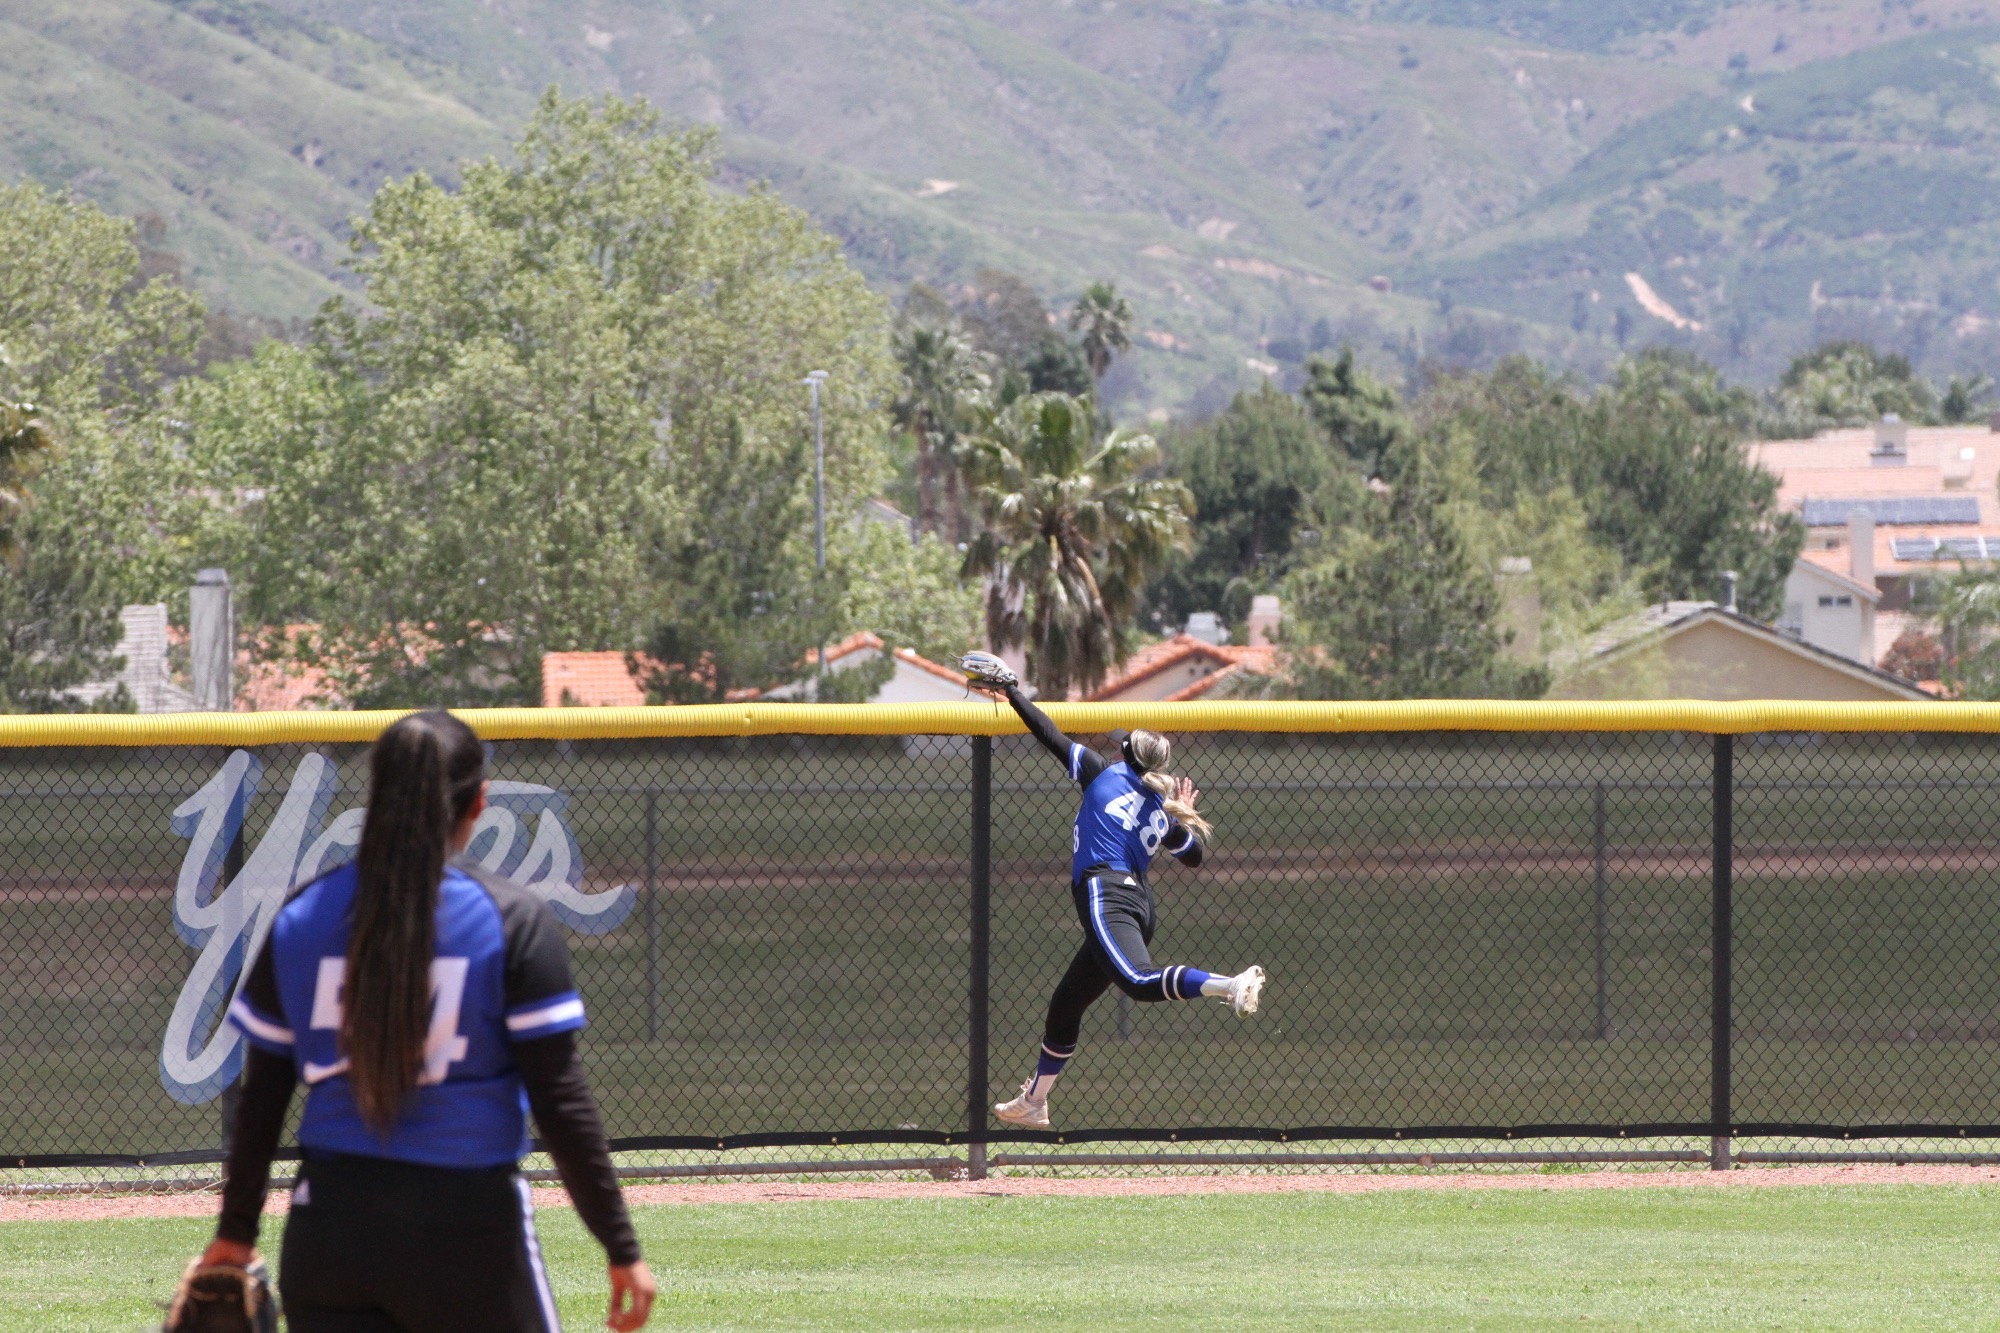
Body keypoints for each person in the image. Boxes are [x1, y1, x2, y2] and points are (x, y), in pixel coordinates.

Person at [192, 710, 656, 1332]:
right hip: (466, 1231)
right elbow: (559, 1100)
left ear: (378, 799)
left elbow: (262, 1103)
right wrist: (620, 1247)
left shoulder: (302, 916)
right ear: (479, 803)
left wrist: (235, 1235)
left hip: (330, 1230)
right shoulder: (509, 918)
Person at [961, 652, 1266, 1130]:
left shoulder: (1103, 772)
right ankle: (1035, 1101)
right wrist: (1177, 813)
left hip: (1108, 893)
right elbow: (1193, 857)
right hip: (1137, 903)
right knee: (1066, 1005)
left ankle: (1229, 986)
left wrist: (1012, 692)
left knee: (1138, 982)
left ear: (1127, 754)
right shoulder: (1158, 808)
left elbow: (1048, 734)